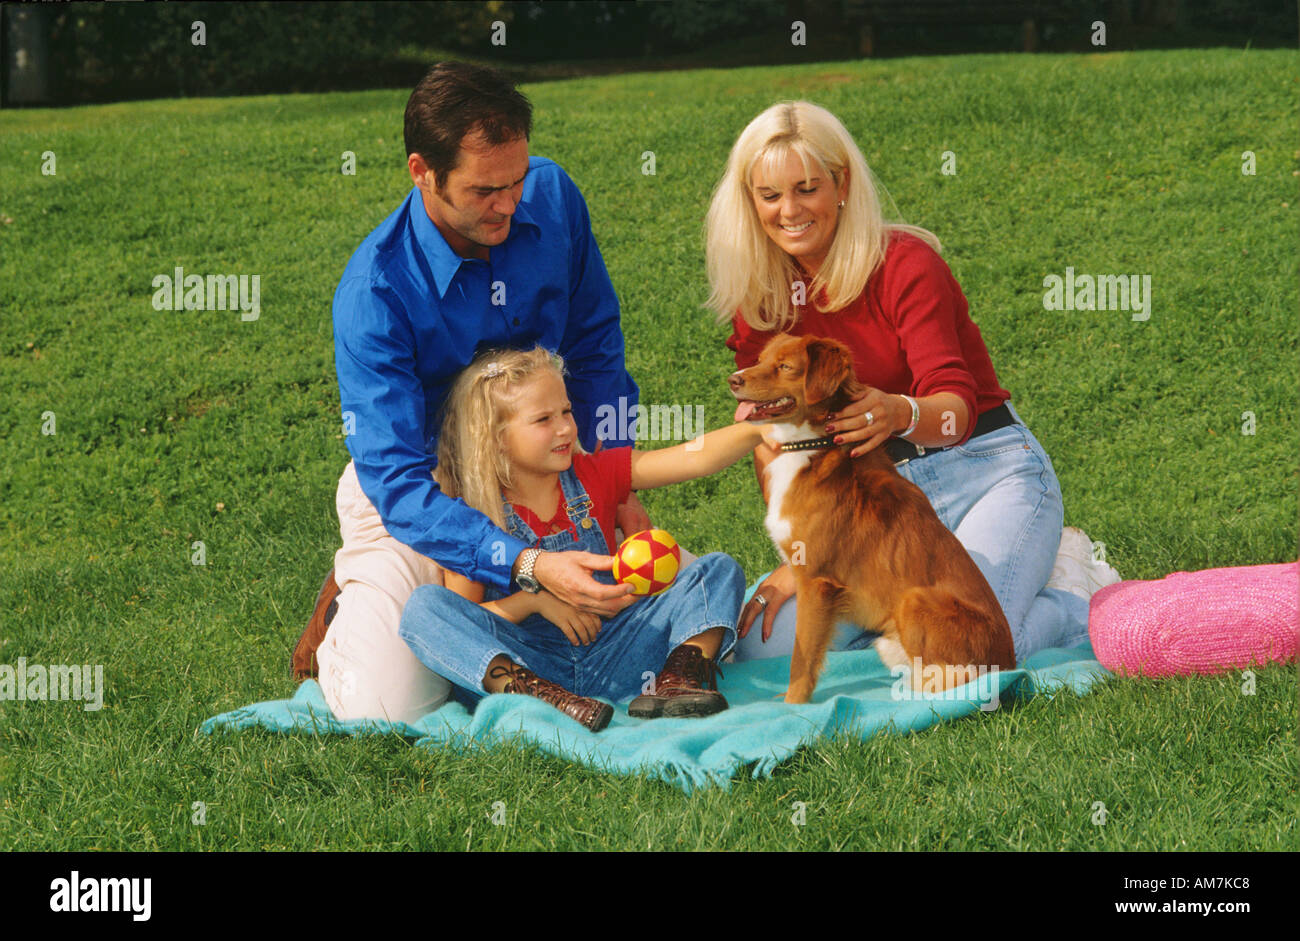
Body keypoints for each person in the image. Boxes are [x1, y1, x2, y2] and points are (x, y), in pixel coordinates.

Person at [704, 100, 1118, 665]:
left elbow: (956, 410)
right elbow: (768, 438)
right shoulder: (761, 293)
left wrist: (899, 412)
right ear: (750, 203)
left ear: (842, 183)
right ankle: (966, 597)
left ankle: (1078, 593)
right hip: (869, 509)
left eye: (807, 188)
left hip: (983, 468)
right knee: (760, 650)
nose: (790, 211)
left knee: (968, 645)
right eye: (770, 195)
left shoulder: (904, 262)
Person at [310, 62, 661, 724]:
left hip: (545, 470)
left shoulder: (552, 198)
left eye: (516, 180)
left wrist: (615, 481)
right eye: (484, 190)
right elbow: (397, 481)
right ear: (422, 171)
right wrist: (527, 564)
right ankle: (350, 613)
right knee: (385, 708)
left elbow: (595, 349)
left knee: (661, 624)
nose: (508, 204)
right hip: (426, 495)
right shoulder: (374, 293)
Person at [398, 346, 759, 731]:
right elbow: (467, 618)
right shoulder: (477, 515)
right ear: (496, 438)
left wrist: (761, 429)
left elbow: (691, 457)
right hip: (529, 664)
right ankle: (536, 699)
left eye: (566, 412)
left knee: (717, 569)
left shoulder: (594, 474)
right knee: (425, 608)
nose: (566, 429)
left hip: (617, 653)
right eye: (543, 419)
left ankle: (679, 682)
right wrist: (533, 602)